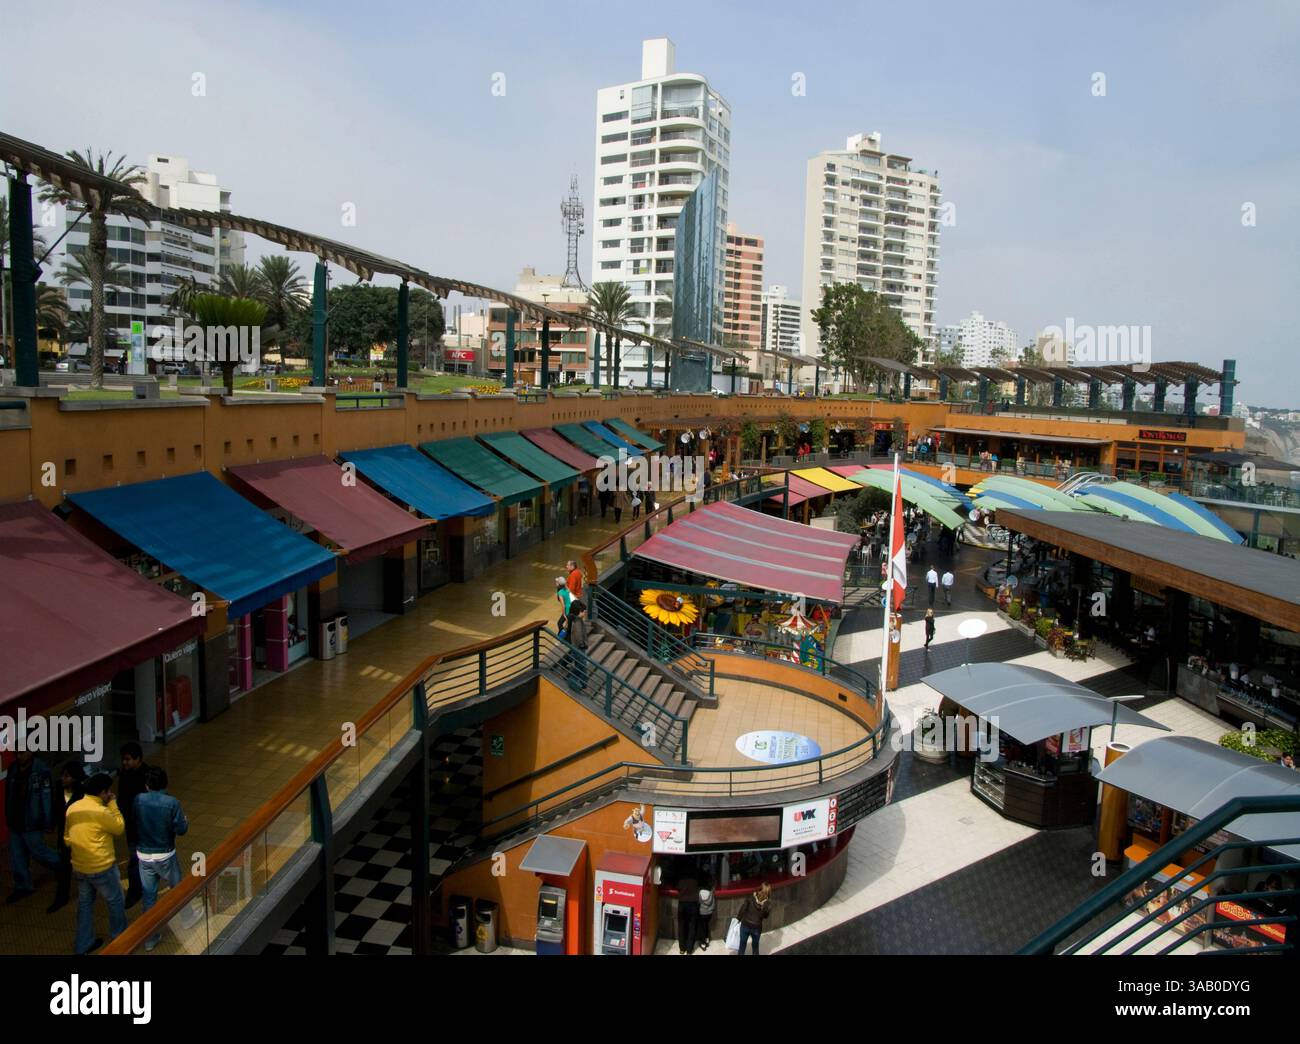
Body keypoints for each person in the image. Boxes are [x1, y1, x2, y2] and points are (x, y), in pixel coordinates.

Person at [65, 773, 126, 955]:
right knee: (115, 900)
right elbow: (119, 828)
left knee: (84, 904)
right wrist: (114, 805)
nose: (110, 795)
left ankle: (83, 944)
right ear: (102, 792)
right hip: (102, 867)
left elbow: (67, 838)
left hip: (79, 867)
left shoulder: (72, 808)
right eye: (109, 792)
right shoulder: (102, 811)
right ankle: (121, 940)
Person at [135, 766, 189, 950]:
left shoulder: (139, 799)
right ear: (165, 783)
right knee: (178, 888)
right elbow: (181, 829)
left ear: (146, 785)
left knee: (149, 896)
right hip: (165, 853)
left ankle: (150, 939)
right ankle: (186, 920)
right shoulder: (172, 803)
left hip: (143, 855)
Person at [4, 752, 59, 903]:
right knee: (17, 855)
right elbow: (9, 794)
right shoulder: (13, 769)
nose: (19, 756)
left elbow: (47, 797)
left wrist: (48, 822)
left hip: (33, 820)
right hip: (16, 820)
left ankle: (61, 864)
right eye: (18, 753)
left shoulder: (41, 770)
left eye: (22, 753)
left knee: (38, 851)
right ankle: (23, 886)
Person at [48, 761, 86, 913]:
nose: (63, 779)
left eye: (67, 776)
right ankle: (61, 899)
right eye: (62, 776)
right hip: (64, 837)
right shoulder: (59, 790)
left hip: (79, 838)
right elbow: (56, 811)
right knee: (64, 869)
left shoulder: (82, 794)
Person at [117, 742, 149, 908]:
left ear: (138, 759)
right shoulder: (125, 775)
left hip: (145, 827)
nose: (125, 763)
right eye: (123, 759)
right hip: (133, 827)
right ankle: (136, 890)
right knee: (134, 859)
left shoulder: (148, 776)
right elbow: (122, 799)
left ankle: (141, 889)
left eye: (128, 759)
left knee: (141, 860)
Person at [736, 882, 772, 955]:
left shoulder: (751, 897)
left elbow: (743, 909)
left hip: (745, 925)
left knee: (742, 946)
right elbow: (765, 916)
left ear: (760, 889)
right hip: (756, 928)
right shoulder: (767, 904)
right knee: (755, 947)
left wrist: (738, 919)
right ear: (768, 893)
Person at [676, 864, 700, 954]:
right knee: (692, 927)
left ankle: (682, 949)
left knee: (681, 926)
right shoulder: (695, 880)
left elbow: (678, 888)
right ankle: (689, 950)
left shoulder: (681, 879)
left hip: (682, 904)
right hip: (693, 905)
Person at [565, 601, 590, 692]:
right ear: (579, 612)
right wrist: (583, 645)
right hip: (579, 648)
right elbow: (579, 636)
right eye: (583, 611)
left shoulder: (576, 621)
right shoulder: (578, 623)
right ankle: (574, 680)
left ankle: (583, 683)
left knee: (581, 665)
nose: (585, 612)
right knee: (581, 666)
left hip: (576, 648)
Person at [697, 879, 716, 951]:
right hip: (709, 913)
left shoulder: (700, 892)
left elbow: (698, 902)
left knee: (702, 928)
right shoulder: (711, 893)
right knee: (707, 926)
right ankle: (707, 940)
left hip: (702, 913)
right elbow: (713, 904)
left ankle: (703, 943)